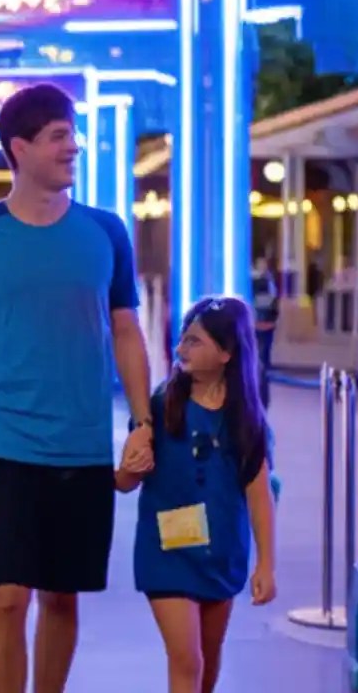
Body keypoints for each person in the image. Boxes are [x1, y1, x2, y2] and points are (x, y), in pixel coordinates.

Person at [0, 83, 154, 693]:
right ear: (19, 149)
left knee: (61, 598)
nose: (72, 148)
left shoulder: (106, 232)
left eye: (73, 135)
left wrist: (143, 422)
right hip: (5, 439)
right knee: (6, 597)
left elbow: (126, 330)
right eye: (58, 137)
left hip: (83, 442)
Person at [116, 295, 278, 693]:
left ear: (226, 353)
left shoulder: (246, 420)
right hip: (166, 554)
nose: (181, 349)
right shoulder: (160, 405)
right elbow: (125, 482)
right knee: (187, 659)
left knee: (207, 657)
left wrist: (266, 564)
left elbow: (259, 495)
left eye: (194, 341)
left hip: (222, 554)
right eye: (182, 338)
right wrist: (128, 467)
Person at [251, 258, 279, 409]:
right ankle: (262, 402)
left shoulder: (261, 281)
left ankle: (261, 401)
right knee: (262, 365)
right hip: (263, 327)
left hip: (261, 327)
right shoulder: (267, 282)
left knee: (261, 364)